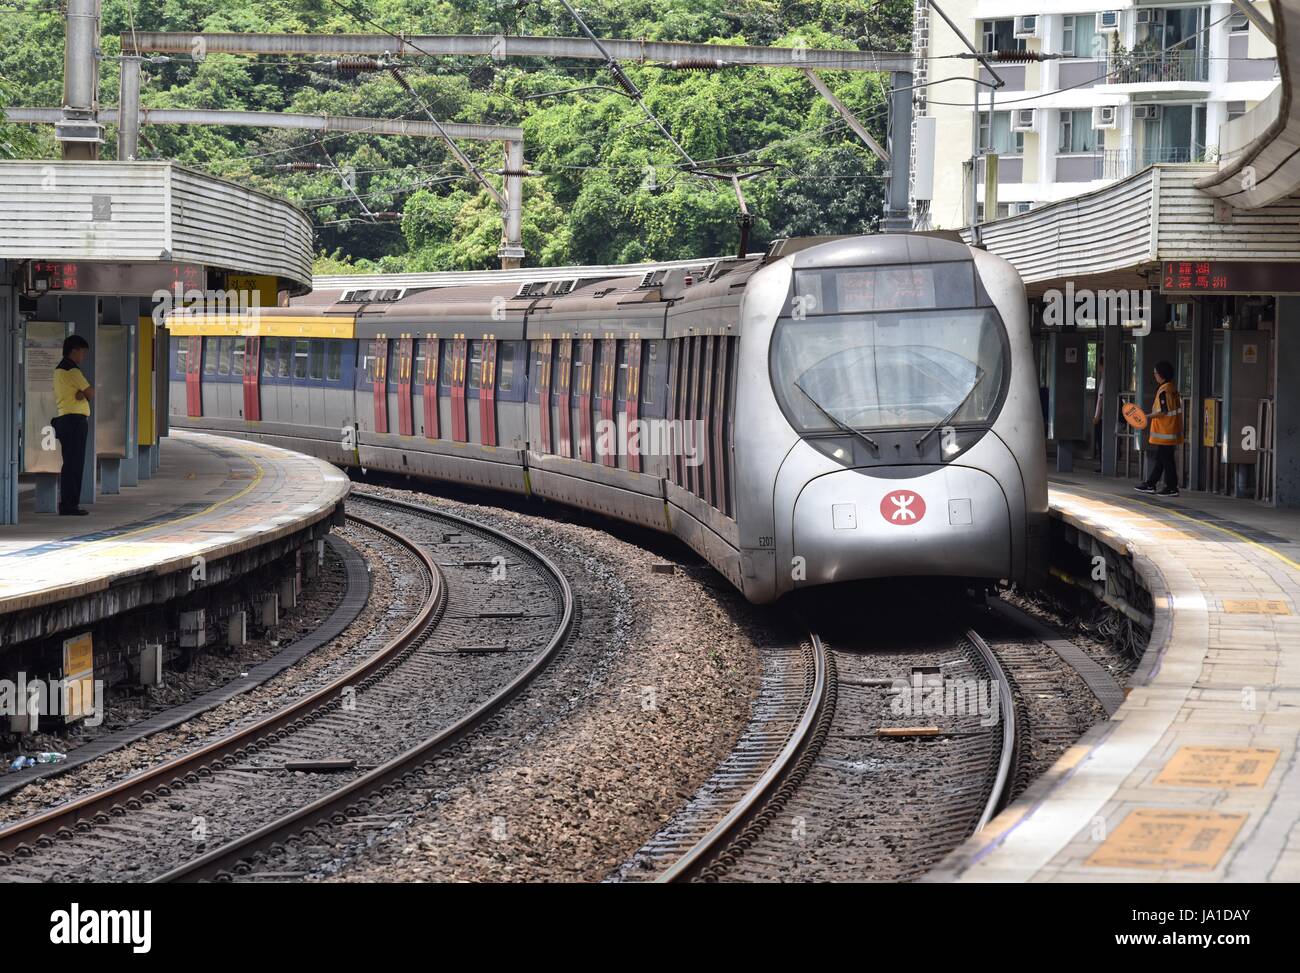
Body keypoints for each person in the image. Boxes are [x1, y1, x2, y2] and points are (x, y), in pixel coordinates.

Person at [52, 334, 93, 516]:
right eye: (82, 353)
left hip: (64, 420)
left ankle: (67, 504)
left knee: (69, 464)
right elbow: (90, 393)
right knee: (74, 465)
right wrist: (83, 393)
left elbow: (80, 393)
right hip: (75, 421)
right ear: (74, 350)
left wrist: (80, 393)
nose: (83, 357)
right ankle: (70, 505)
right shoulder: (73, 371)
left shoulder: (59, 370)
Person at [1135, 359, 1182, 497]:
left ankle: (1171, 487)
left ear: (1161, 374)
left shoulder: (1164, 390)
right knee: (1162, 459)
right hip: (1171, 430)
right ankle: (1151, 483)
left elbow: (1163, 411)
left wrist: (1146, 416)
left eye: (1155, 373)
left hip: (1165, 430)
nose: (1154, 375)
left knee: (1166, 460)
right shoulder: (1172, 388)